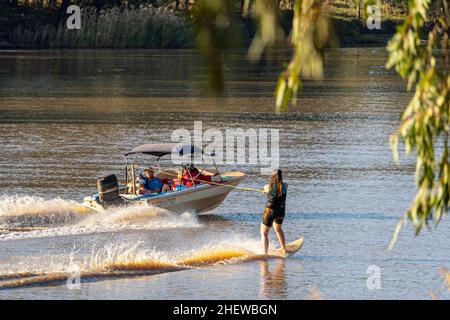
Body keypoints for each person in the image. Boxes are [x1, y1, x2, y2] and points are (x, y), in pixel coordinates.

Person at [261, 169, 288, 255]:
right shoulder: (286, 185)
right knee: (278, 229)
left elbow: (267, 194)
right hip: (281, 211)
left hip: (270, 211)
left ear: (272, 177)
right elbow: (279, 192)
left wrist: (265, 193)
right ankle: (284, 249)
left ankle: (265, 254)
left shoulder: (267, 187)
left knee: (264, 233)